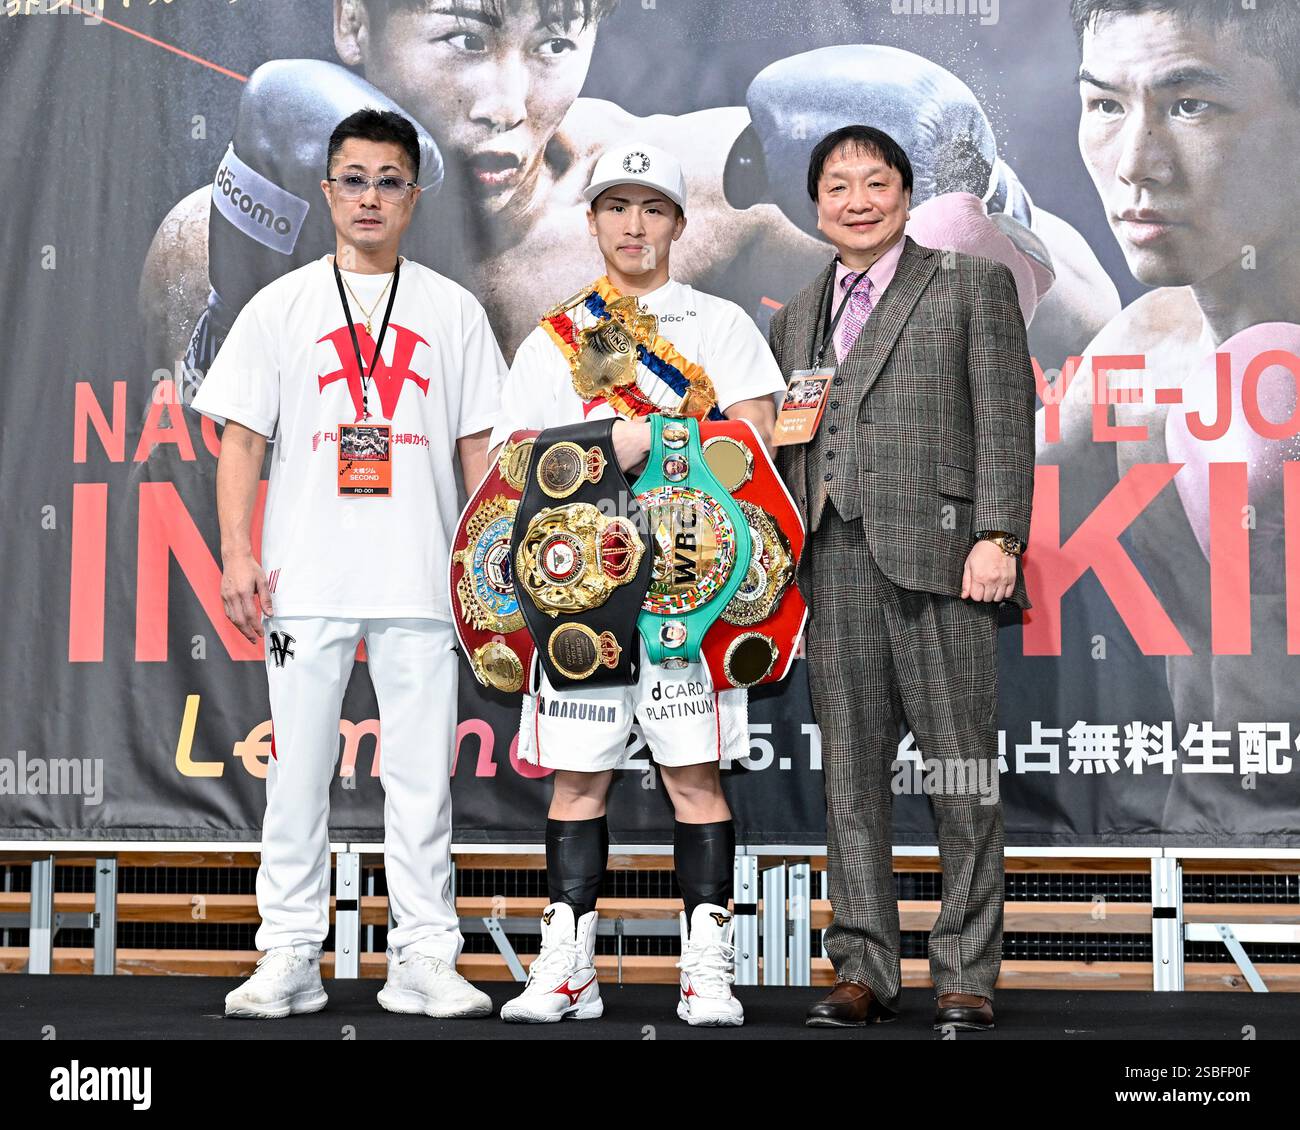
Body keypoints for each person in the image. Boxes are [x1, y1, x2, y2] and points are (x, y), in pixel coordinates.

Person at [138, 3, 1115, 377]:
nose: (508, 102)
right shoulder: (216, 237)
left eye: (555, 42)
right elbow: (187, 510)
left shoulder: (687, 187)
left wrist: (971, 182)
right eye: (464, 40)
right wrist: (244, 279)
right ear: (355, 26)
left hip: (642, 649)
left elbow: (1079, 313)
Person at [190, 109, 505, 1019]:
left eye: (389, 181)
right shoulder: (280, 306)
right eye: (354, 179)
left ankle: (424, 957)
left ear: (415, 195)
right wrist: (239, 552)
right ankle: (287, 952)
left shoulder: (451, 309)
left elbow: (480, 455)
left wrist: (482, 570)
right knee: (295, 777)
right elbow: (242, 441)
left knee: (419, 780)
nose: (371, 197)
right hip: (306, 577)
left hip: (420, 579)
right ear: (328, 192)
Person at [485, 142, 785, 1027]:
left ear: (678, 224)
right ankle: (568, 966)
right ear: (593, 221)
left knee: (696, 778)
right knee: (576, 782)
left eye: (652, 208)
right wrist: (593, 448)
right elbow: (513, 466)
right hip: (580, 597)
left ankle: (706, 966)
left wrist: (655, 444)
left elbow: (757, 454)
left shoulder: (721, 324)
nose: (633, 225)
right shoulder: (554, 337)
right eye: (616, 206)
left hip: (688, 596)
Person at [768, 125, 1035, 1030]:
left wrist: (1000, 534)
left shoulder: (969, 283)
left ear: (906, 194)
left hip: (947, 559)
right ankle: (864, 966)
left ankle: (966, 972)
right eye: (837, 185)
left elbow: (1005, 415)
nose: (856, 199)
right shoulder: (795, 313)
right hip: (830, 561)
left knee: (960, 772)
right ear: (816, 207)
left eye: (874, 182)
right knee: (849, 776)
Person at [1044, 0, 1300, 840]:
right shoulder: (1139, 345)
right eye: (1106, 105)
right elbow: (998, 556)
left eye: (1192, 105)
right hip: (1195, 863)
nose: (1136, 166)